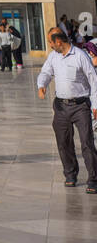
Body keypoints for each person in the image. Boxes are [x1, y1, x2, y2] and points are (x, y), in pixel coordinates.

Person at [37, 26, 97, 192]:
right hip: (61, 106)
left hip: (81, 106)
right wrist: (41, 85)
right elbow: (46, 72)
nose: (49, 44)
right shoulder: (53, 57)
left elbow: (94, 80)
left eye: (50, 41)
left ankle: (94, 178)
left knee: (87, 143)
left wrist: (95, 105)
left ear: (58, 41)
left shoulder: (80, 56)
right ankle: (70, 174)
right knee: (63, 142)